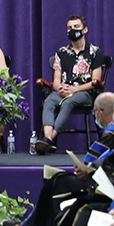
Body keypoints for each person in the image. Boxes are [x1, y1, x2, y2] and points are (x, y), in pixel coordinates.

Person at [37, 14, 105, 152]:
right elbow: (56, 80)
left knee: (69, 102)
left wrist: (74, 90)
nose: (72, 30)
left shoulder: (95, 52)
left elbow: (95, 81)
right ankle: (47, 138)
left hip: (84, 92)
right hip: (63, 90)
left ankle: (50, 139)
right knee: (49, 101)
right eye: (69, 28)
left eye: (76, 27)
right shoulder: (61, 52)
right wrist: (60, 87)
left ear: (85, 30)